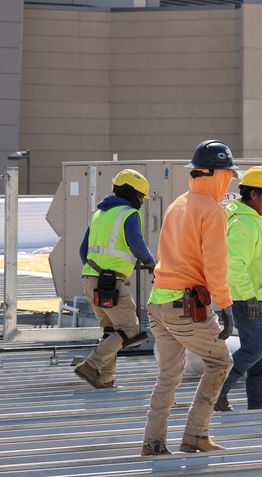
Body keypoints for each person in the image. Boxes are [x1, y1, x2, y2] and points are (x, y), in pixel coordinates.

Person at [141, 140, 238, 456]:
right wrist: (225, 304)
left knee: (168, 375)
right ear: (216, 174)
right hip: (185, 307)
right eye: (227, 175)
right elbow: (215, 264)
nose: (229, 182)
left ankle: (153, 443)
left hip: (158, 302)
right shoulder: (212, 211)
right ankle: (196, 435)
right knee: (220, 362)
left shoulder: (177, 204)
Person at [75, 169, 155, 389]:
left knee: (111, 330)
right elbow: (137, 245)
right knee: (130, 328)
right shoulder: (129, 214)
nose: (141, 202)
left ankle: (105, 377)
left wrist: (98, 269)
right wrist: (151, 264)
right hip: (110, 282)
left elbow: (83, 250)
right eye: (140, 197)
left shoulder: (98, 214)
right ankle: (91, 365)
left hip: (90, 279)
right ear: (131, 194)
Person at [214, 166, 262, 412]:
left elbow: (254, 267)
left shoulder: (250, 220)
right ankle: (216, 393)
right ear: (253, 195)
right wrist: (252, 298)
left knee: (261, 353)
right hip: (247, 300)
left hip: (254, 299)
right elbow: (234, 265)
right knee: (254, 349)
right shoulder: (244, 223)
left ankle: (260, 404)